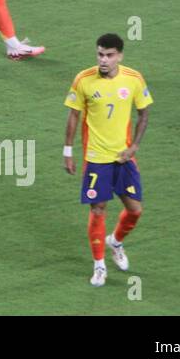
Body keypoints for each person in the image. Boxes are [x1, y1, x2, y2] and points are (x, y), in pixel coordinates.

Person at [63, 34, 153, 287]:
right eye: (100, 54)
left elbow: (144, 114)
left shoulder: (133, 79)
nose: (103, 60)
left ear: (120, 56)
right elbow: (73, 116)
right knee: (98, 209)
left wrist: (134, 146)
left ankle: (116, 241)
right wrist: (68, 151)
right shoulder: (84, 80)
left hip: (123, 158)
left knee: (135, 210)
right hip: (95, 158)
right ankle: (99, 265)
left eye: (109, 55)